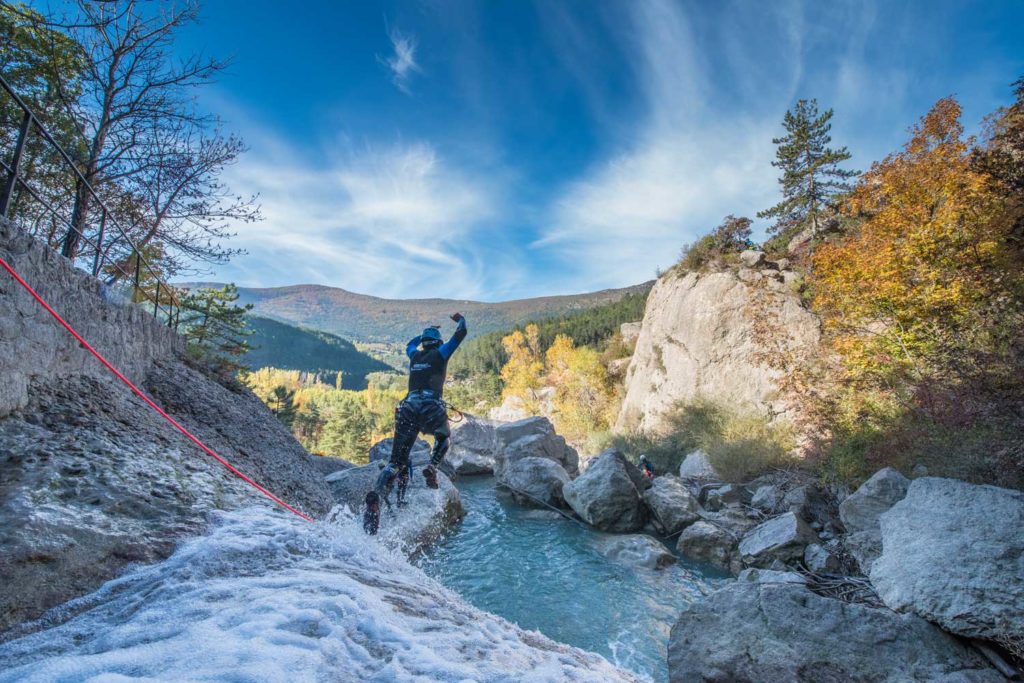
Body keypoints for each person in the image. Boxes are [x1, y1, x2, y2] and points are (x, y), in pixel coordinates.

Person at [374, 313, 468, 504]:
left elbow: (409, 344)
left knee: (396, 462)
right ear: (438, 342)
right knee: (443, 437)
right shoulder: (441, 352)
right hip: (431, 406)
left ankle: (377, 498)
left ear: (424, 343)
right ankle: (432, 467)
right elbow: (461, 333)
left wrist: (422, 335)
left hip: (408, 408)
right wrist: (460, 320)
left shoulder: (414, 355)